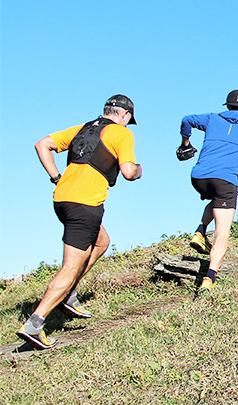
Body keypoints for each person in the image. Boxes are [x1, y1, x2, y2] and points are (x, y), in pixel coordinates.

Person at [18, 95, 142, 350]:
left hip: (62, 199)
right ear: (125, 115)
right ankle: (35, 322)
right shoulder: (121, 134)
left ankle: (69, 293)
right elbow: (129, 172)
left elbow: (42, 144)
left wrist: (56, 176)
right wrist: (140, 169)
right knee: (70, 267)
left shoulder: (82, 129)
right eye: (129, 120)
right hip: (85, 206)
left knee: (102, 241)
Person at [180, 90, 238, 294]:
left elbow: (186, 120)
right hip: (225, 180)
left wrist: (186, 144)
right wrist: (237, 160)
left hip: (199, 177)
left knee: (218, 201)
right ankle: (209, 278)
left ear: (226, 106)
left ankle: (200, 231)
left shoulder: (211, 118)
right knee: (222, 232)